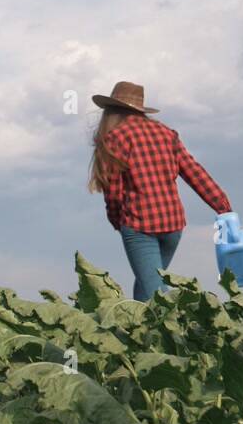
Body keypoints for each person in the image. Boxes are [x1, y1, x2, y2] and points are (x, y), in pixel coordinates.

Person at [89, 82, 233, 301]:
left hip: (140, 226)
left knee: (155, 295)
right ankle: (136, 333)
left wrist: (118, 222)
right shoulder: (166, 133)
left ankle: (176, 332)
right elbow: (195, 173)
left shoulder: (115, 138)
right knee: (147, 285)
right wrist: (223, 206)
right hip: (173, 225)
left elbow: (114, 192)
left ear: (112, 110)